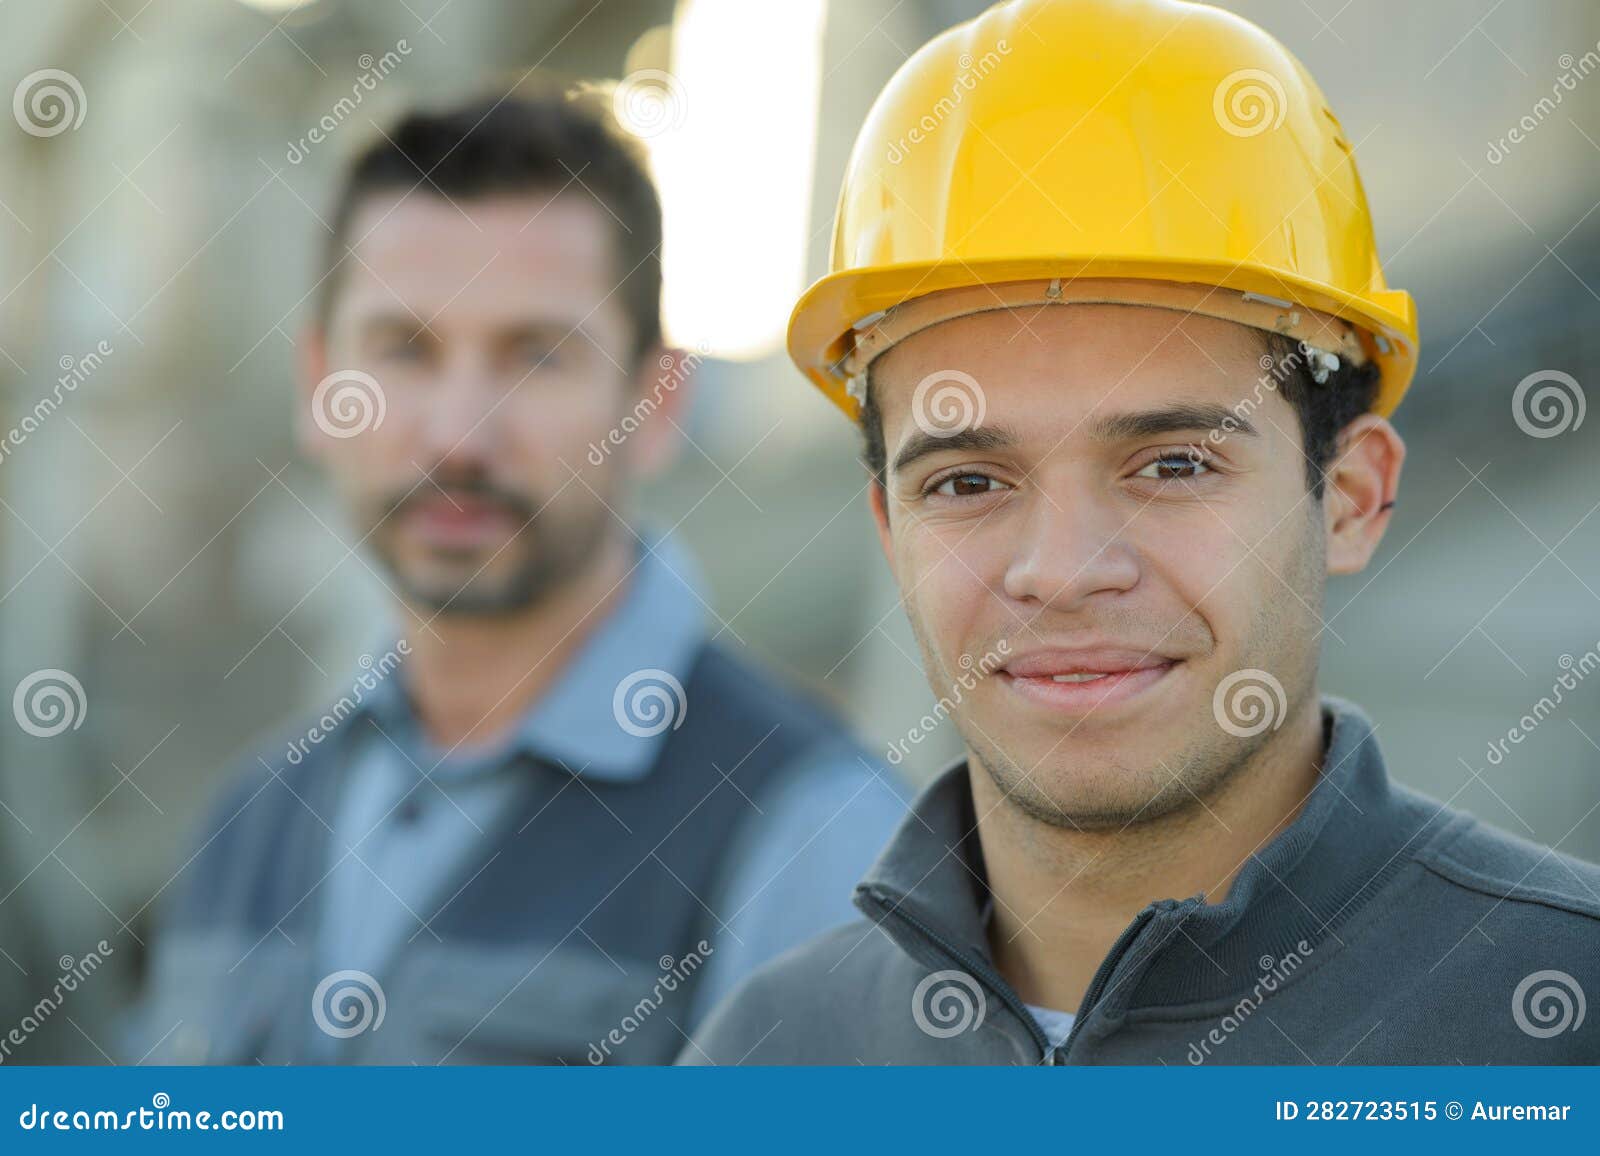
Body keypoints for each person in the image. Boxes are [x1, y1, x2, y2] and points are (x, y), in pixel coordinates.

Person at [683, 0, 1599, 1065]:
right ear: (890, 529)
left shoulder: (1556, 1017)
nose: (1064, 572)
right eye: (969, 480)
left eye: (1173, 465)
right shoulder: (773, 1055)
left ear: (1348, 496)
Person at [130, 91, 904, 1065]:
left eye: (536, 356)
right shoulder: (246, 825)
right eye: (404, 350)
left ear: (655, 402)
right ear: (320, 386)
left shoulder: (811, 839)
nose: (460, 436)